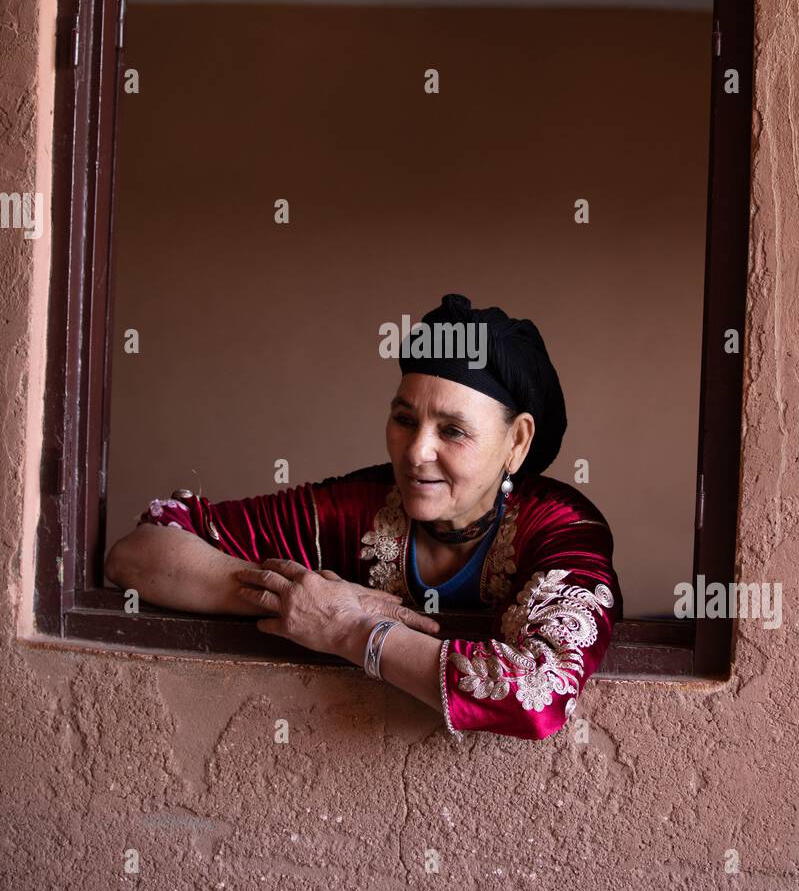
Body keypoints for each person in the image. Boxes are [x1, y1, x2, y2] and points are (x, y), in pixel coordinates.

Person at [105, 293, 623, 741]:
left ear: (517, 441)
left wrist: (349, 629)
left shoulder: (563, 528)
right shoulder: (358, 507)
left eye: (452, 431)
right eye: (404, 419)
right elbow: (137, 556)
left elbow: (534, 695)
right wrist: (298, 598)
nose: (416, 451)